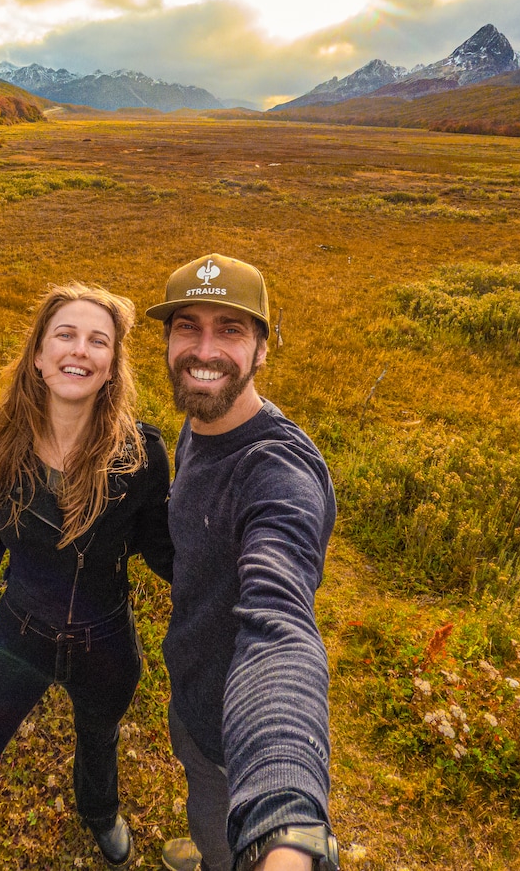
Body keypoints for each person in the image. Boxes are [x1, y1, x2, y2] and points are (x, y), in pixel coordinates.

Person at [0, 283, 174, 871]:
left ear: (111, 368)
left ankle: (100, 813)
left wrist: (223, 568)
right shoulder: (4, 437)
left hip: (105, 642)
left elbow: (162, 550)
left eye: (98, 341)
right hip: (19, 636)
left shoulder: (140, 454)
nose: (81, 350)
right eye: (66, 335)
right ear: (39, 357)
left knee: (99, 738)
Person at [145, 255, 339, 871]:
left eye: (230, 329)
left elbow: (279, 628)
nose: (204, 351)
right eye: (187, 327)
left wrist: (286, 828)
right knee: (203, 801)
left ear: (262, 349)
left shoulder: (275, 473)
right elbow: (192, 549)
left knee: (222, 824)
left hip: (235, 729)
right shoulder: (203, 415)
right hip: (193, 689)